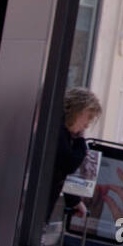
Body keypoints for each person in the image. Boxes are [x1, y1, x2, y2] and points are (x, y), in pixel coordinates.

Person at [50, 88, 102, 236]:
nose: (87, 125)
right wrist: (80, 141)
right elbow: (69, 164)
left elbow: (62, 169)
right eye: (88, 117)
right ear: (78, 111)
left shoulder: (63, 132)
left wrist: (73, 201)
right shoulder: (59, 130)